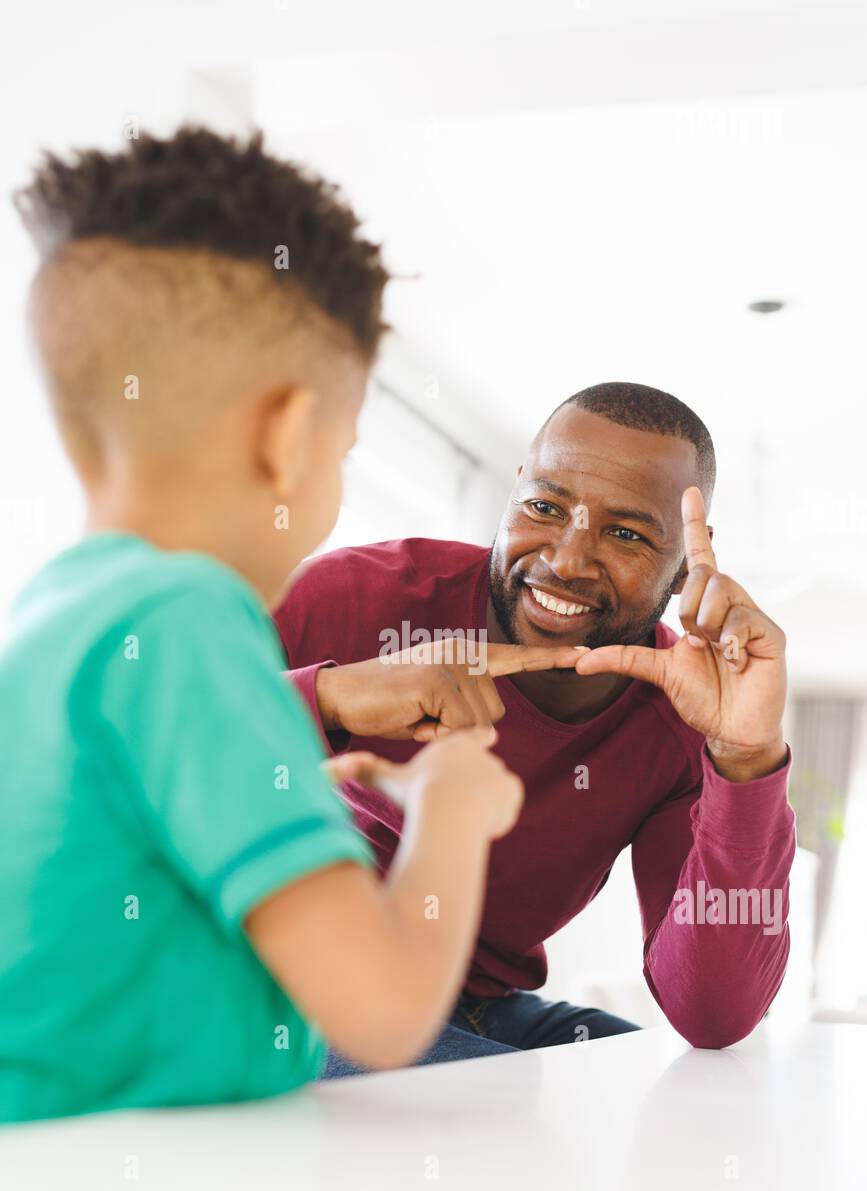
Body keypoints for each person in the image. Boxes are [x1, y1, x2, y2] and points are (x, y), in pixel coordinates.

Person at [0, 126, 580, 1123]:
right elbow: (385, 1012)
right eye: (346, 447)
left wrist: (288, 786)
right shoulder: (192, 619)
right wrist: (448, 804)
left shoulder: (56, 617)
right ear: (288, 437)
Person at [274, 382, 796, 1075]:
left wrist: (743, 756)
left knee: (704, 1100)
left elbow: (712, 1016)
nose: (567, 559)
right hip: (292, 983)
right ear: (514, 491)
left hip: (479, 1005)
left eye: (627, 533)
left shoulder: (681, 715)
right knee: (493, 1123)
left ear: (680, 570)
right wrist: (332, 695)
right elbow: (131, 758)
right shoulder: (360, 596)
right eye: (544, 507)